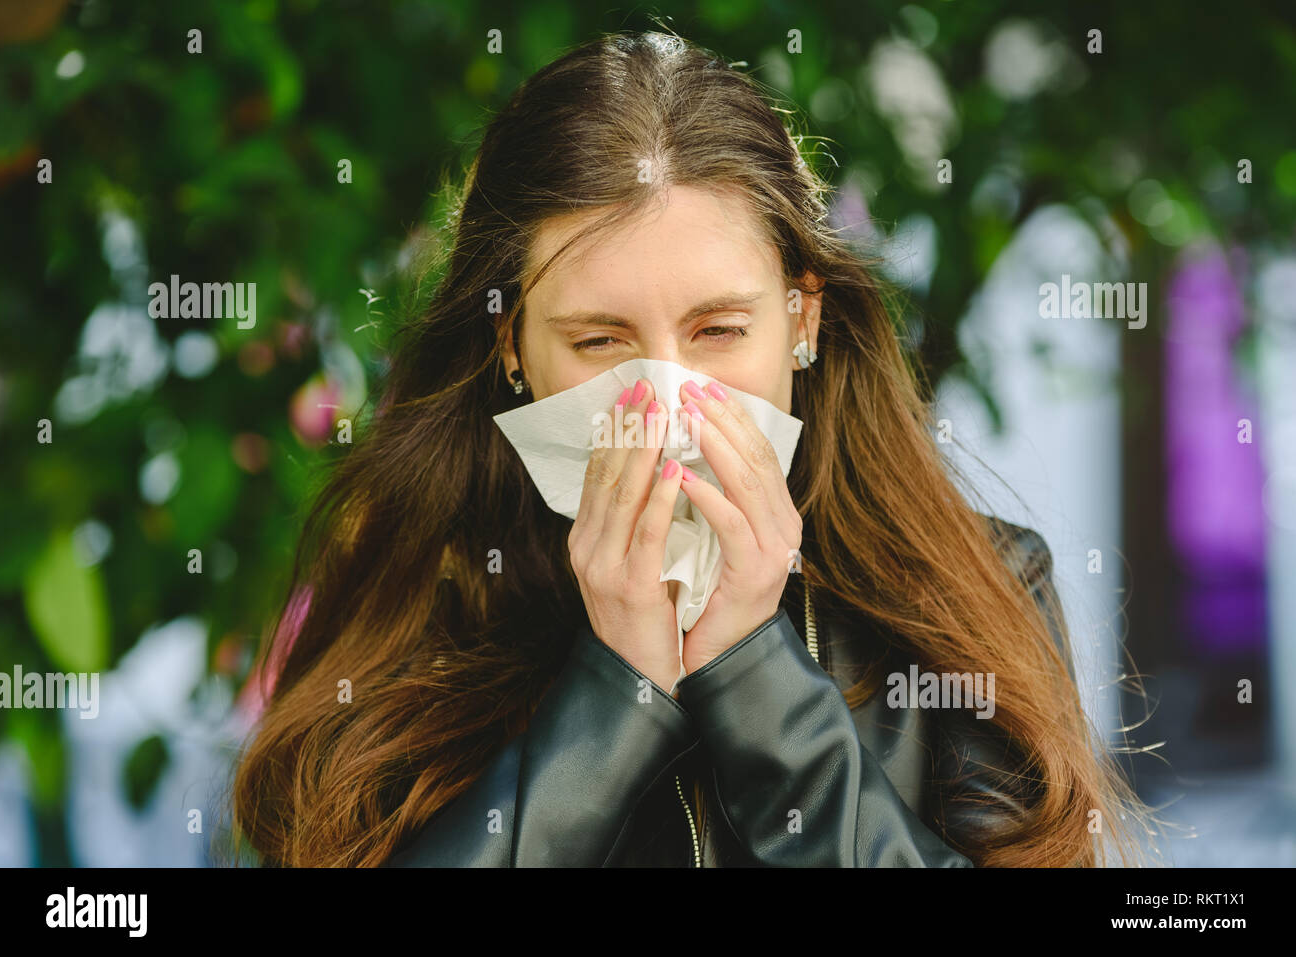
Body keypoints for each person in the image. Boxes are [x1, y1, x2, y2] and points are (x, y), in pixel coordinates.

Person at [232, 29, 1156, 867]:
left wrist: (751, 664)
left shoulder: (977, 587)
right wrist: (618, 689)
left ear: (802, 318)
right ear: (511, 346)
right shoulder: (420, 609)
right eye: (600, 342)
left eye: (717, 330)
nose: (666, 404)